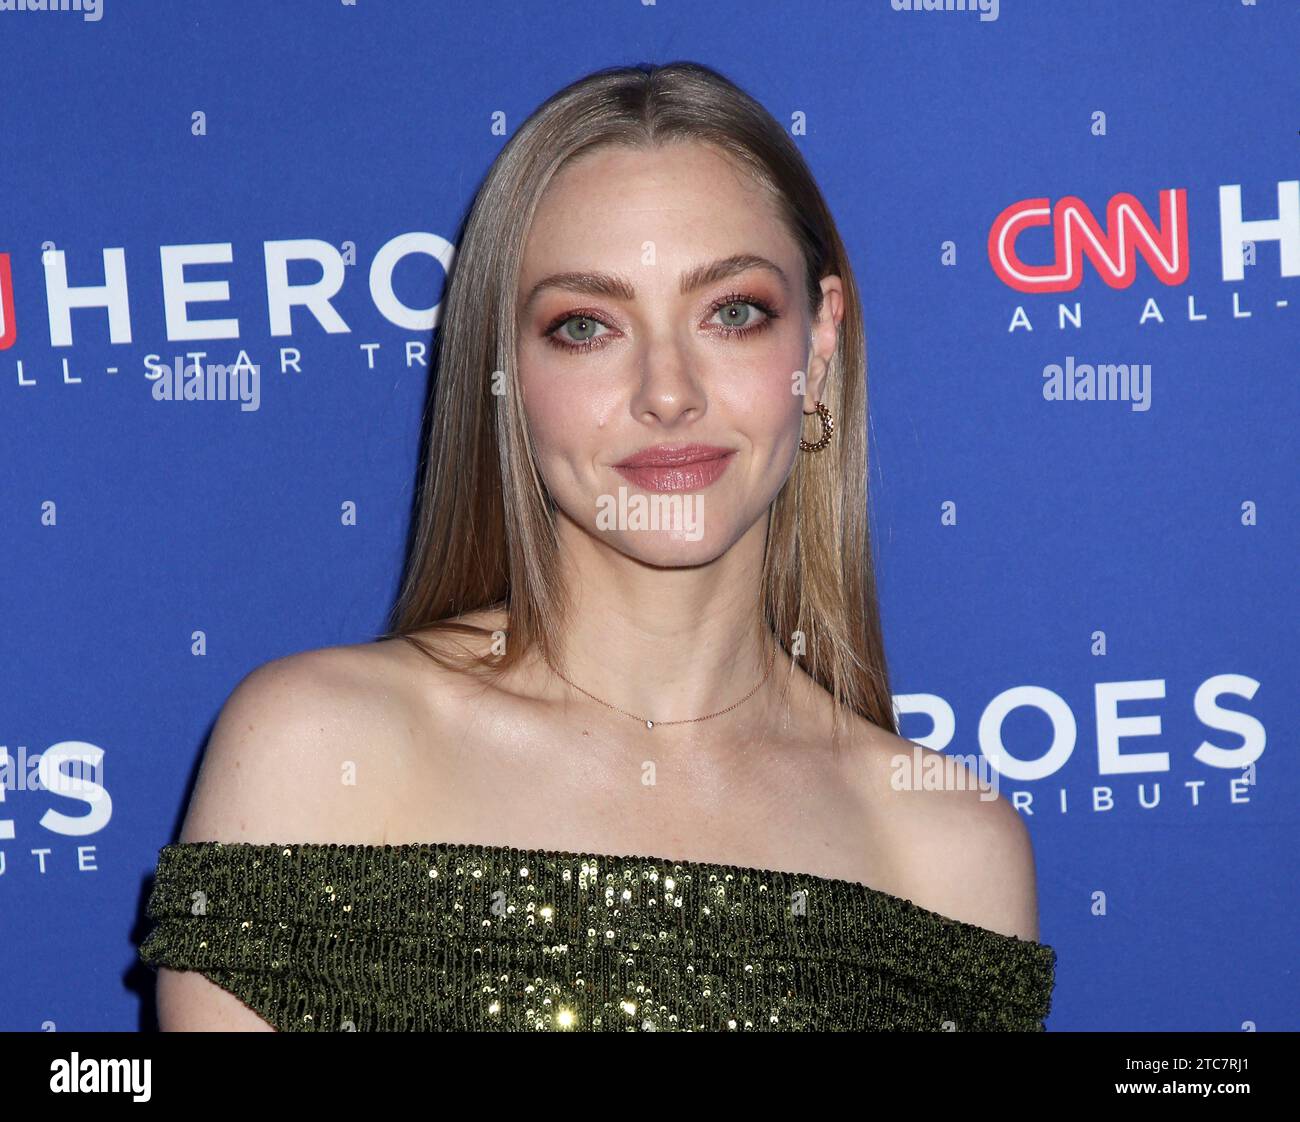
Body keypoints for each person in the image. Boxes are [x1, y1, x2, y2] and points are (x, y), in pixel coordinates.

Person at [138, 61, 1055, 1031]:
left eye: (732, 312)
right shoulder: (321, 753)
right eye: (586, 327)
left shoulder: (950, 850)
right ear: (503, 372)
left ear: (818, 347)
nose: (668, 391)